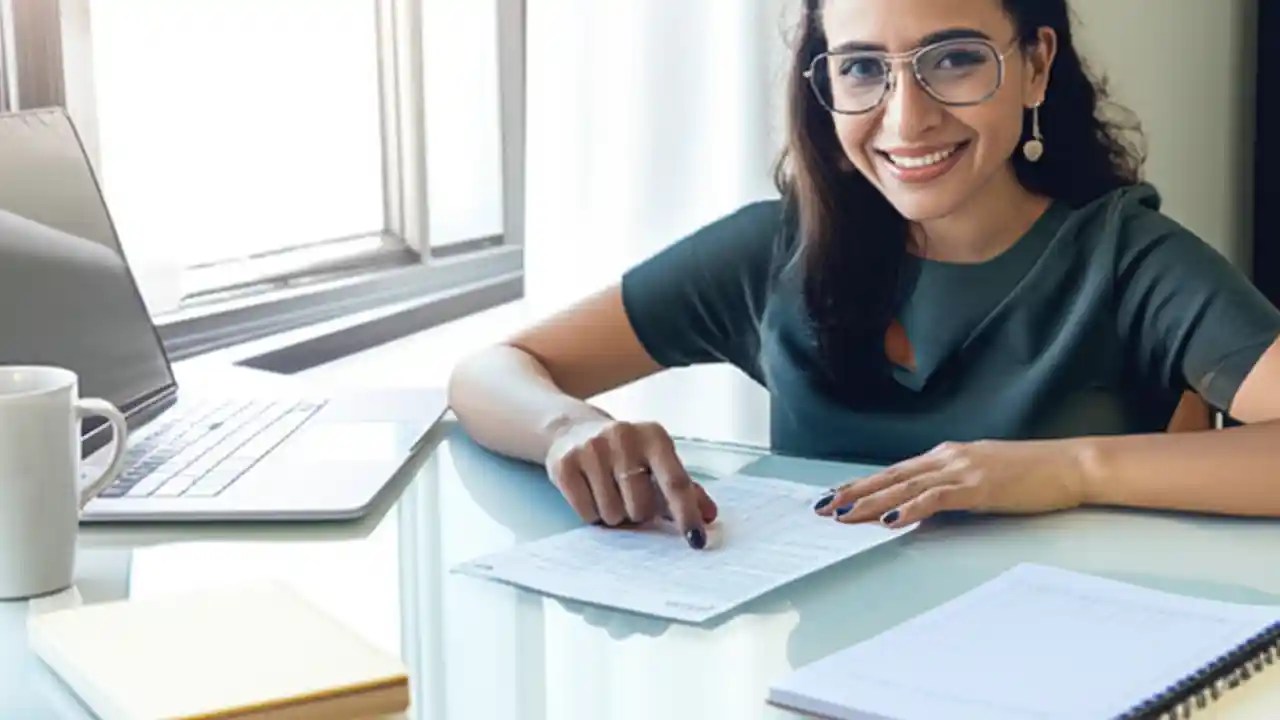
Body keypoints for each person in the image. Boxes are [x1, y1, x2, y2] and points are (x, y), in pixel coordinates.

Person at [448, 0, 1280, 550]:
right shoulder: (771, 252)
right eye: (861, 68)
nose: (905, 116)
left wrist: (1071, 469)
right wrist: (568, 429)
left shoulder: (1129, 258)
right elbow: (491, 372)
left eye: (952, 60)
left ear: (1034, 64)